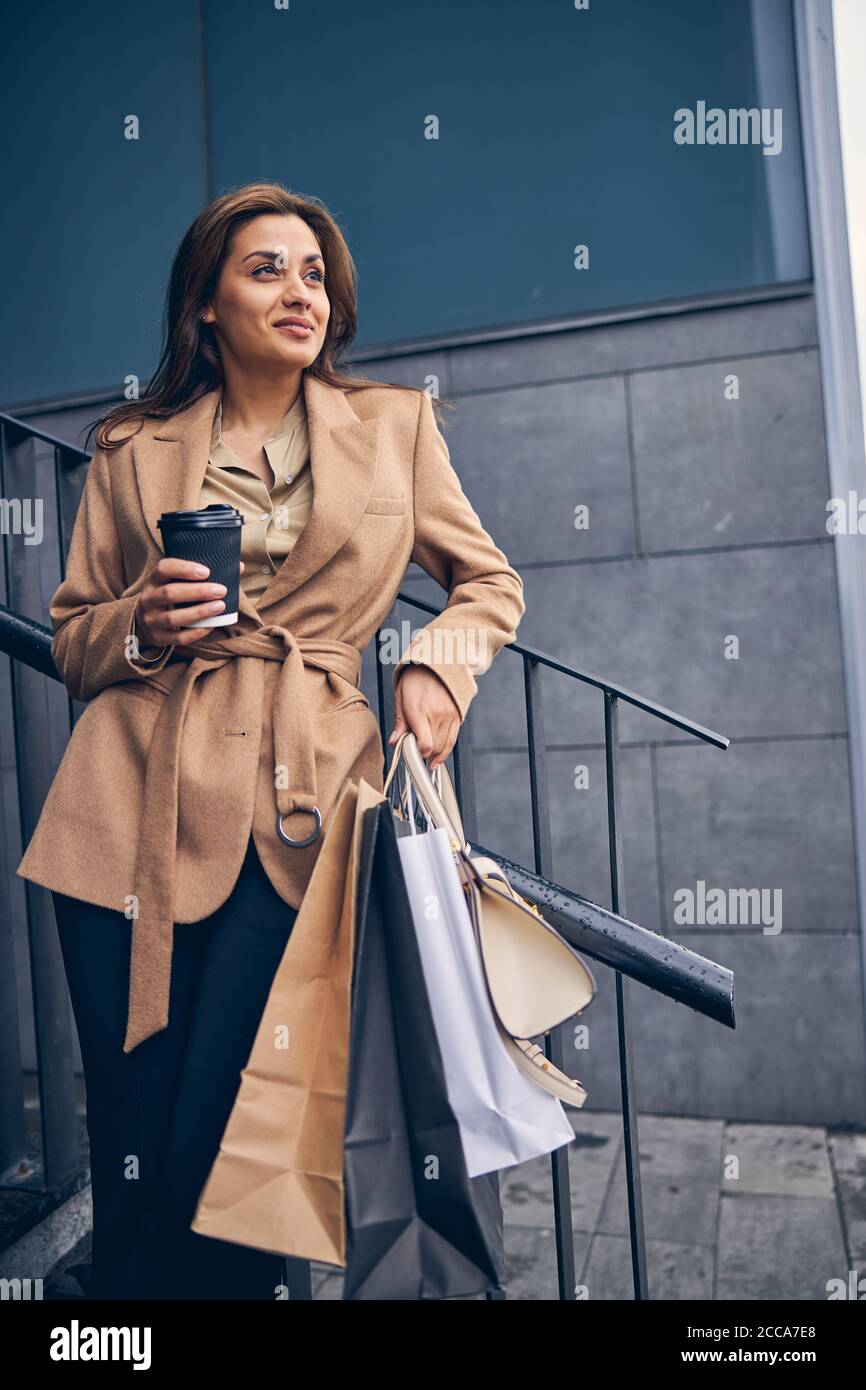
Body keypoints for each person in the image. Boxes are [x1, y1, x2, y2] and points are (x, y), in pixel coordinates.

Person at [16, 181, 526, 1300]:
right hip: (124, 819)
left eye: (313, 272)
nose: (300, 290)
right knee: (135, 1156)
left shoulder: (394, 426)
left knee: (236, 1149)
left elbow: (488, 584)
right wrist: (140, 625)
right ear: (206, 303)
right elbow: (71, 635)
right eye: (264, 269)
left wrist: (436, 669)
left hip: (303, 821)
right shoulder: (132, 445)